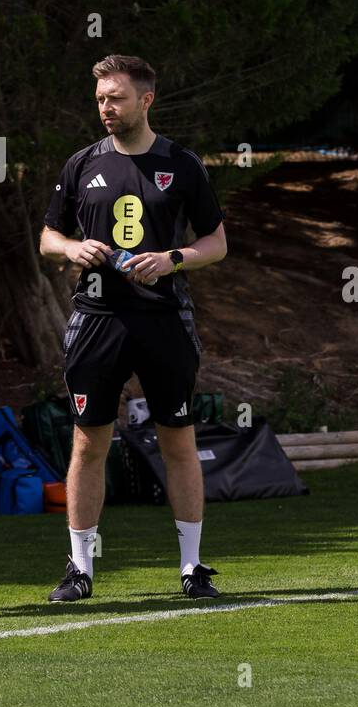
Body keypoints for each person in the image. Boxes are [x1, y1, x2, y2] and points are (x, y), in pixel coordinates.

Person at [40, 54, 227, 602]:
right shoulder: (81, 164)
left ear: (146, 100)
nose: (105, 107)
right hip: (97, 320)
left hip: (164, 320)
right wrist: (73, 247)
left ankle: (193, 568)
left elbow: (217, 242)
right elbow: (48, 237)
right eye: (100, 98)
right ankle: (80, 569)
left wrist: (173, 258)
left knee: (179, 441)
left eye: (115, 97)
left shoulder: (182, 163)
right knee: (88, 442)